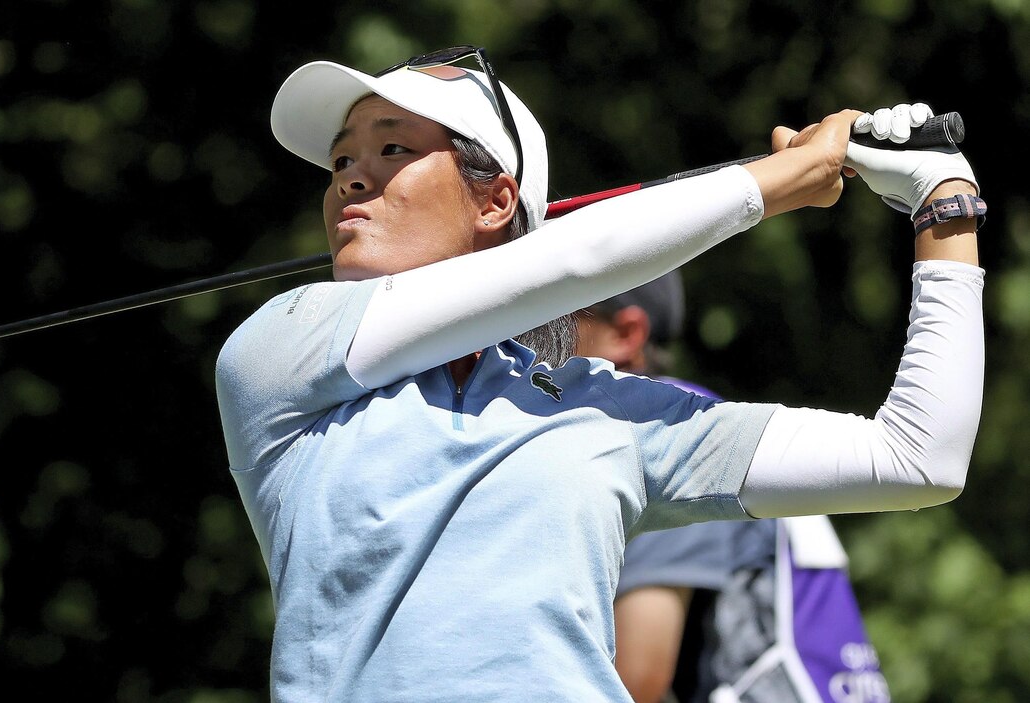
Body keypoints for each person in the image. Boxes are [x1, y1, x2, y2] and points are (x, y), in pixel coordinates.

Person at [214, 45, 985, 702]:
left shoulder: (602, 409)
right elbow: (572, 261)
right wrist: (787, 176)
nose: (351, 176)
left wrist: (943, 205)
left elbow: (917, 458)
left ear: (498, 201)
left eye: (392, 149)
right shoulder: (279, 349)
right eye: (343, 158)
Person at [579, 273, 890, 702]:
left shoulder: (666, 438)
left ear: (625, 334)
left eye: (554, 319)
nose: (529, 340)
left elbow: (635, 682)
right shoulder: (702, 421)